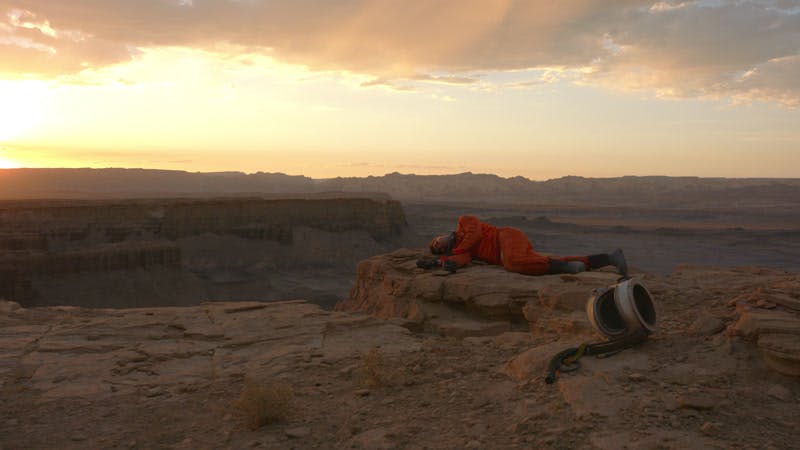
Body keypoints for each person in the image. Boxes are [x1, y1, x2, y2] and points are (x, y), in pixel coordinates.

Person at [417, 215, 628, 276]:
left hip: (506, 237)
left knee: (512, 263)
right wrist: (440, 263)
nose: (438, 244)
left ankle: (563, 268)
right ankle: (608, 258)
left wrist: (457, 250)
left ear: (441, 235)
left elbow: (475, 234)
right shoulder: (462, 251)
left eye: (436, 241)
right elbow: (460, 260)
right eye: (438, 248)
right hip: (507, 253)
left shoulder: (464, 222)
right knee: (531, 263)